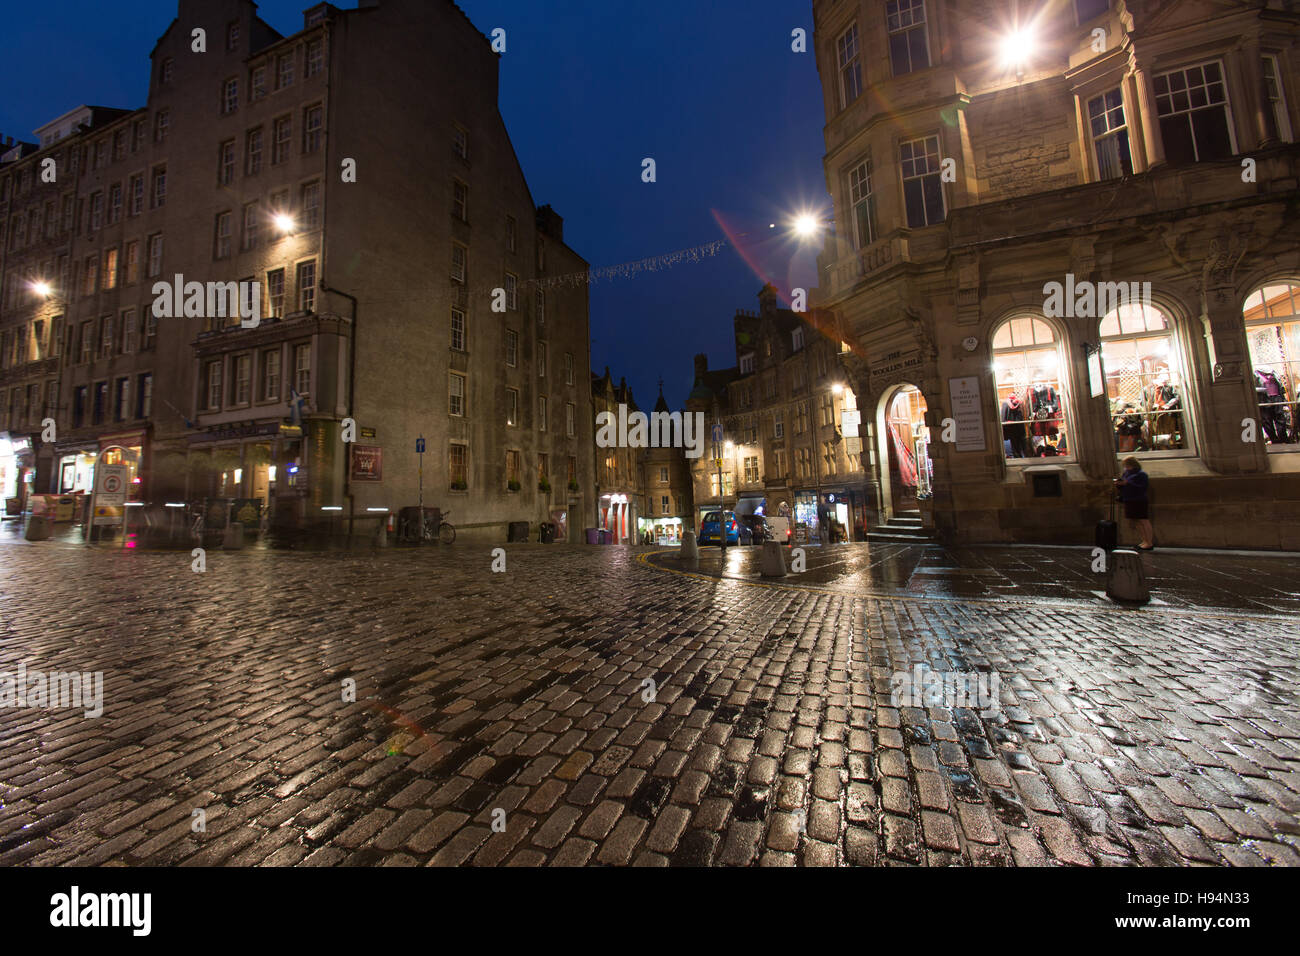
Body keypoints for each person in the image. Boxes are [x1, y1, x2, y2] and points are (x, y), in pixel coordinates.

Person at [1115, 456, 1153, 550]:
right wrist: (1119, 484)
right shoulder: (1126, 473)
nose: (1126, 467)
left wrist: (1127, 483)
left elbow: (1142, 487)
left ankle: (1149, 542)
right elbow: (1125, 484)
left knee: (1143, 520)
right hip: (1129, 499)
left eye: (1127, 465)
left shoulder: (1141, 474)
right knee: (1136, 521)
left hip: (1139, 500)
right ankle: (1144, 541)